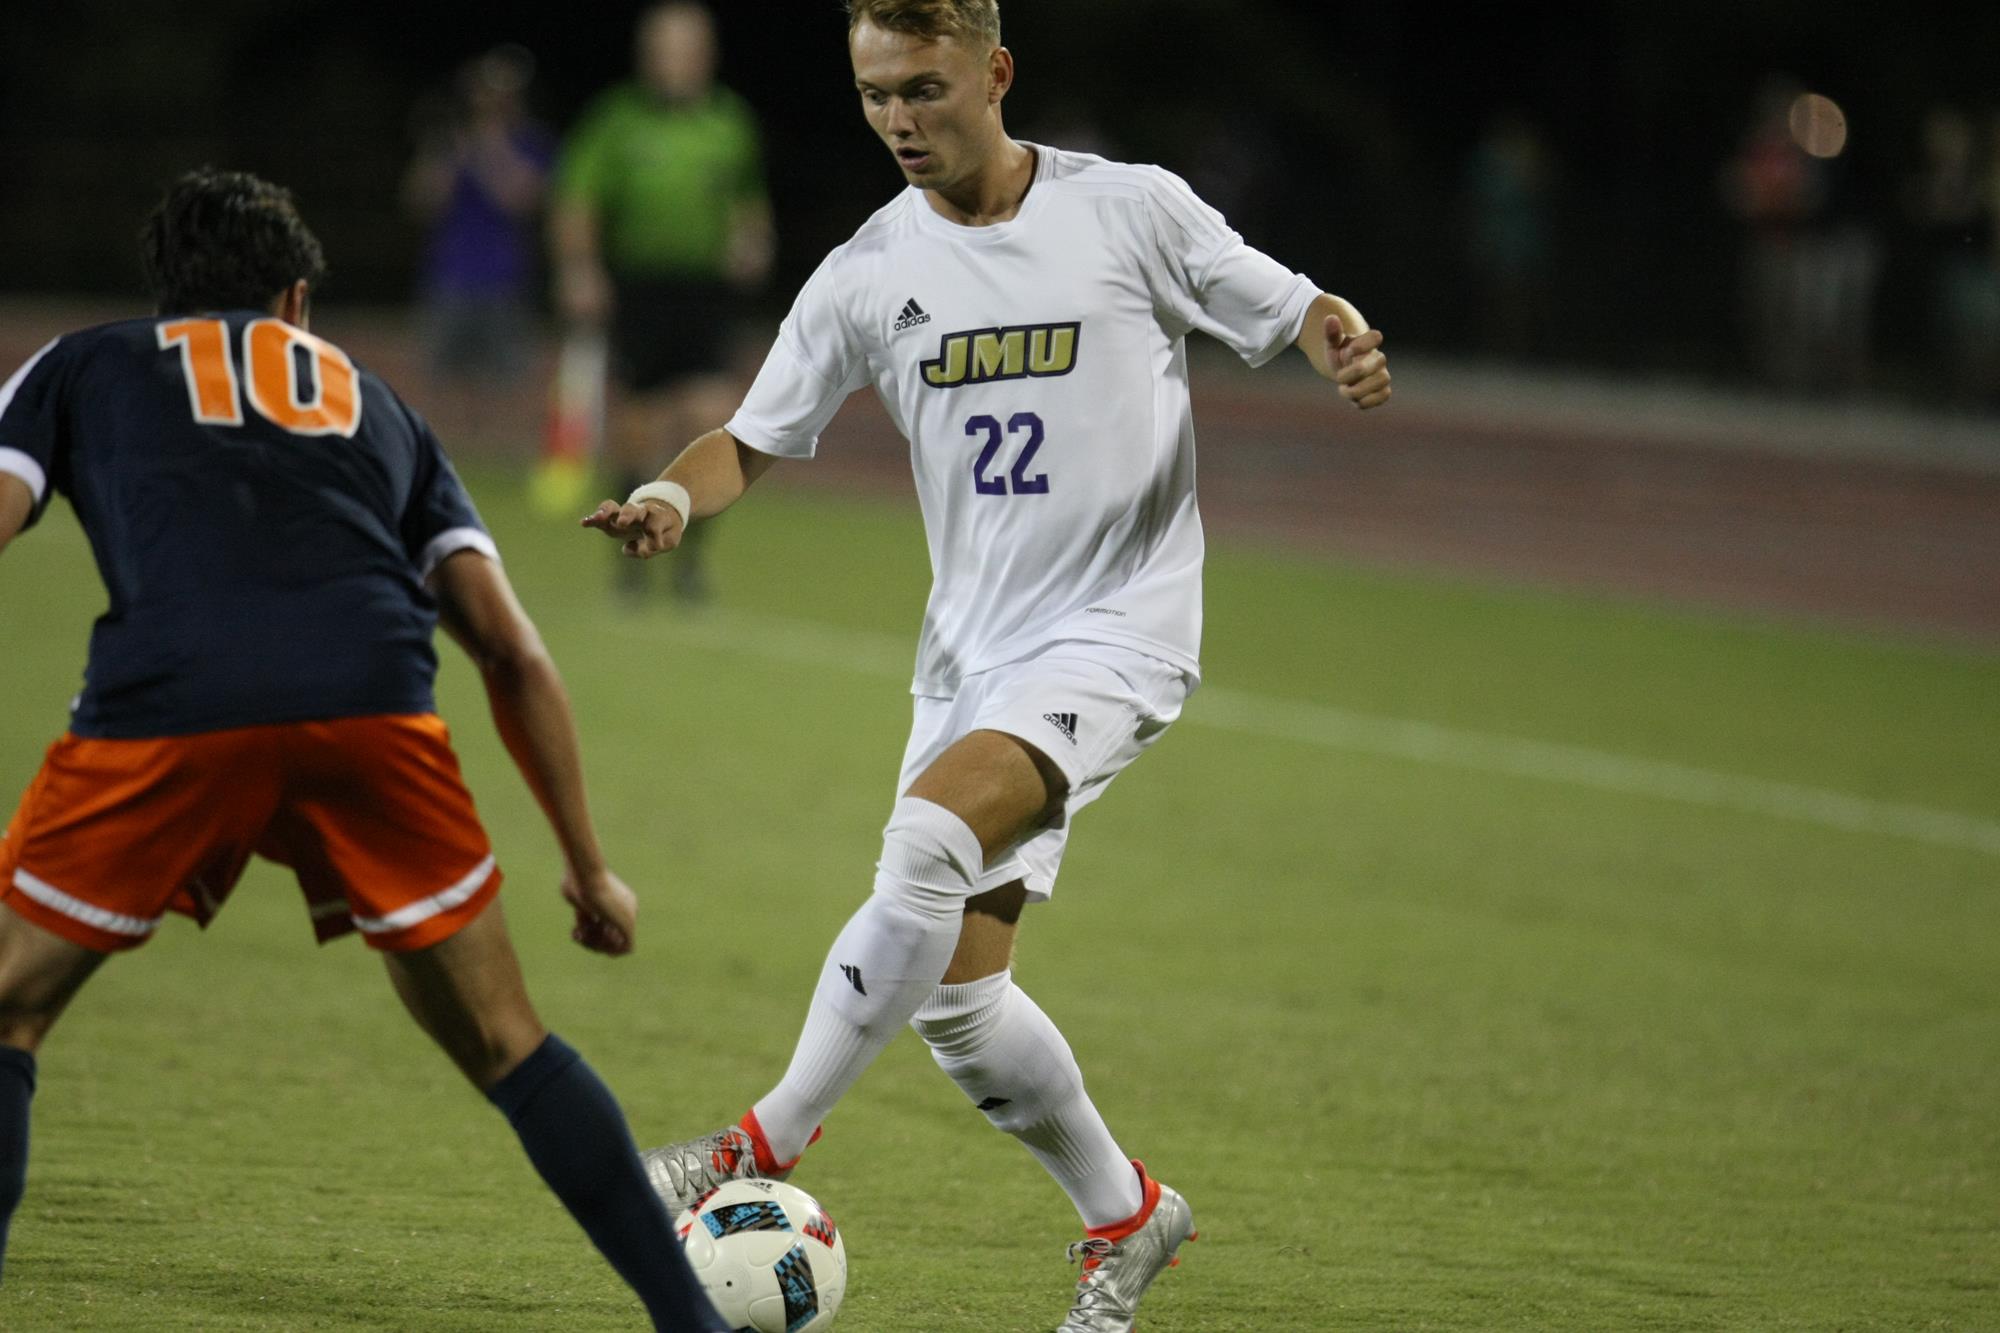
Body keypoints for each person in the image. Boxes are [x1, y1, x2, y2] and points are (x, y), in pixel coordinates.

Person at [582, 2, 1391, 1329]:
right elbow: (751, 432)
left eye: (924, 88)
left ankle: (759, 1143)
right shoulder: (867, 270)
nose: (899, 119)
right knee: (959, 1002)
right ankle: (1128, 1216)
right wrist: (670, 500)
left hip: (1121, 630)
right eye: (873, 96)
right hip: (970, 659)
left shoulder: (1126, 212)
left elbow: (1290, 299)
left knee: (923, 842)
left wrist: (1341, 340)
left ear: (994, 74)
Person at [0, 169, 727, 1332]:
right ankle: (688, 1323)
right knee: (504, 1039)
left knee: (10, 1010)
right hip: (374, 709)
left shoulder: (82, 364)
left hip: (172, 707)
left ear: (166, 293)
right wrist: (587, 867)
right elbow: (508, 649)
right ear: (296, 300)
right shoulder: (377, 402)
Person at [551, 1, 774, 603]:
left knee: (709, 419)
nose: (676, 62)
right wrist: (581, 270)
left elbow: (747, 200)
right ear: (647, 57)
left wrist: (752, 240)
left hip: (703, 295)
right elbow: (578, 201)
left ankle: (689, 564)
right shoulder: (616, 120)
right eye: (665, 50)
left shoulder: (729, 121)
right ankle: (630, 563)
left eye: (688, 50)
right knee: (638, 429)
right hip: (640, 291)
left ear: (707, 57)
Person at [401, 44, 557, 458]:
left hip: (504, 278)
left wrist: (489, 150)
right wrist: (448, 157)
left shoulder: (530, 142)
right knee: (442, 378)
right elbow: (420, 200)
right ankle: (442, 458)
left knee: (506, 380)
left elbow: (523, 198)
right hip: (450, 275)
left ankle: (503, 460)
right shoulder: (451, 142)